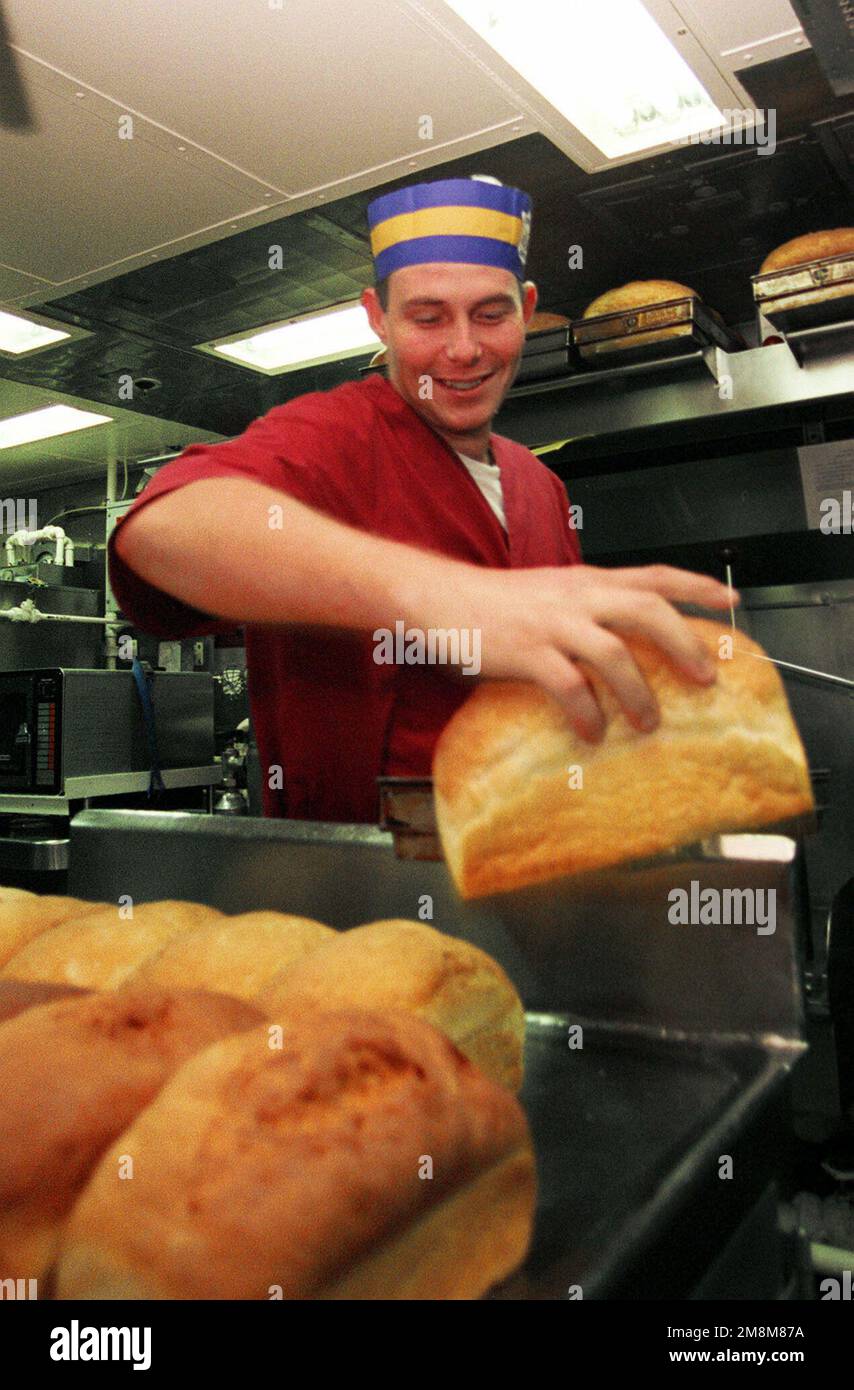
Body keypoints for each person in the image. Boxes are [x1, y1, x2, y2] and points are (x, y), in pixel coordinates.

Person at [110, 176, 737, 823]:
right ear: (378, 318)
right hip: (365, 882)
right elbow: (162, 529)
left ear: (526, 308)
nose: (462, 349)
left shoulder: (540, 486)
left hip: (536, 856)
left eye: (491, 314)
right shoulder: (338, 435)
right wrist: (437, 598)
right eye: (427, 317)